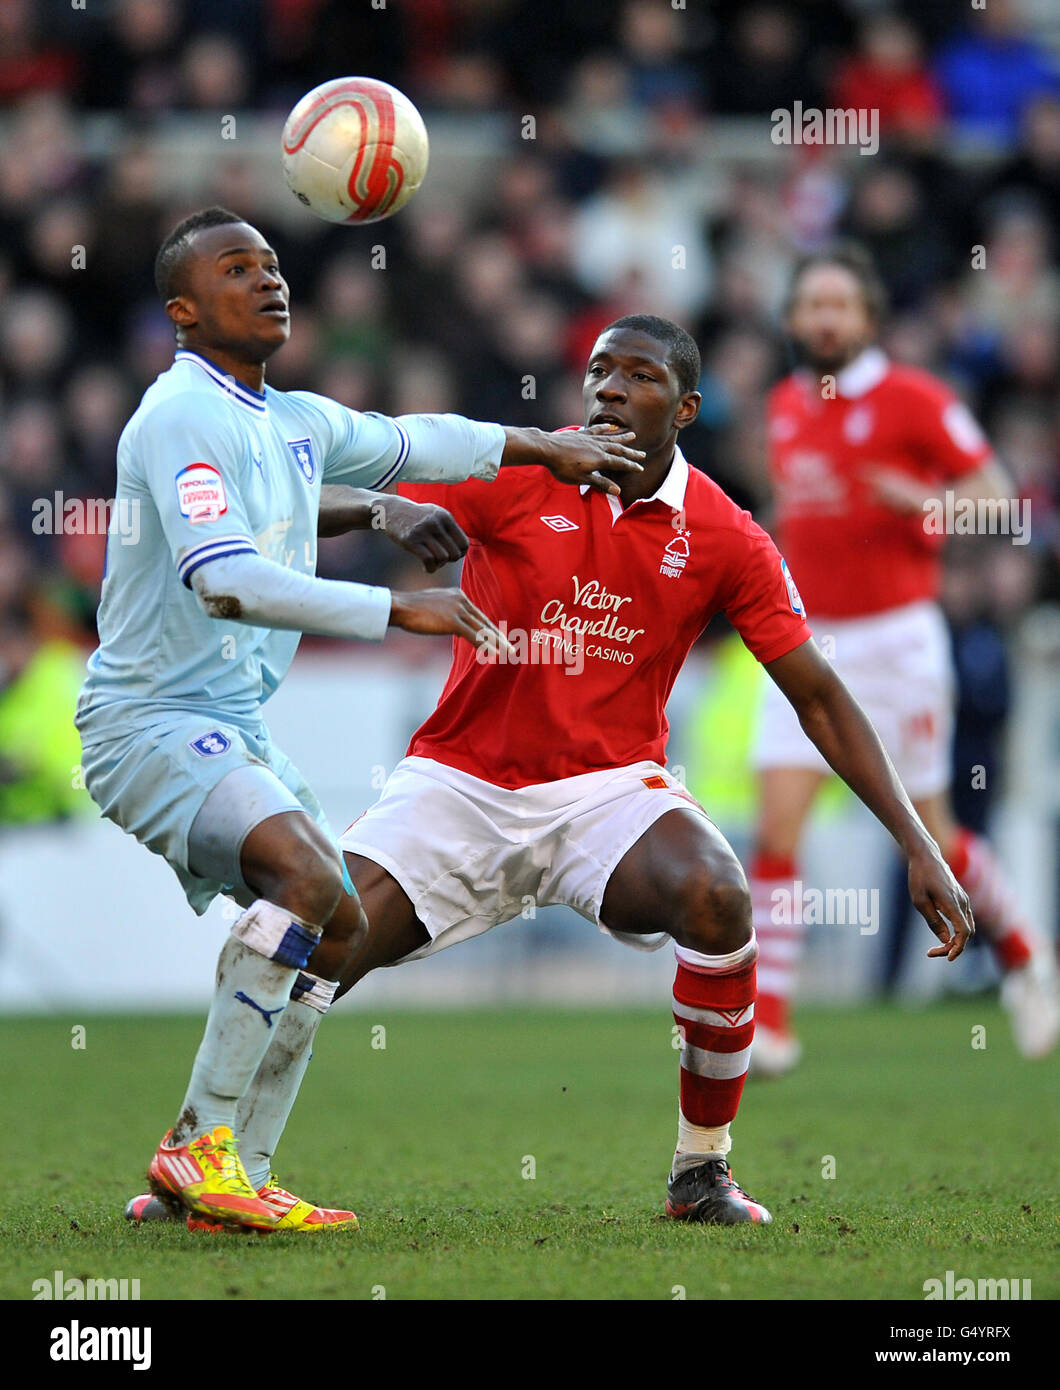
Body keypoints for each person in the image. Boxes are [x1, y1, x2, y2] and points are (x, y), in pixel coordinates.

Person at [125, 313, 972, 1228]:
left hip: (606, 793)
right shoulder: (521, 473)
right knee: (320, 934)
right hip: (458, 783)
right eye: (600, 372)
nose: (609, 388)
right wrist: (379, 507)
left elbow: (818, 696)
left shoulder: (726, 535)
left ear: (685, 407)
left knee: (717, 895)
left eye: (638, 376)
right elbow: (293, 503)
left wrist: (918, 842)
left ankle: (701, 1173)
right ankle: (211, 1173)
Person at [80, 205, 646, 1234]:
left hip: (229, 724)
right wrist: (398, 609)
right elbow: (225, 579)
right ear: (182, 310)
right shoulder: (177, 417)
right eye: (236, 269)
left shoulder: (285, 418)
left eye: (273, 264)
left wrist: (542, 448)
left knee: (335, 925)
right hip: (149, 719)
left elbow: (416, 441)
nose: (268, 280)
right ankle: (195, 1145)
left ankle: (226, 1178)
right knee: (304, 879)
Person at [748, 244, 1059, 1075]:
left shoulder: (915, 398)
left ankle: (1028, 957)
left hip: (898, 639)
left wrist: (925, 501)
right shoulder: (783, 405)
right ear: (791, 320)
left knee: (933, 833)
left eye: (839, 304)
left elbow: (998, 499)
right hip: (807, 641)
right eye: (811, 304)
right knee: (777, 825)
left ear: (868, 319)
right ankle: (771, 1022)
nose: (824, 318)